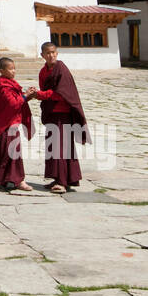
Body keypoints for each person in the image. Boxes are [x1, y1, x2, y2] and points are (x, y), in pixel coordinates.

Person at [33, 41, 89, 193]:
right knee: (53, 145)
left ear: (57, 53)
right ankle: (58, 178)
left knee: (61, 146)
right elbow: (46, 91)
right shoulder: (43, 72)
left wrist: (39, 94)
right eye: (47, 53)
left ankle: (62, 182)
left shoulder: (61, 69)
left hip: (62, 112)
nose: (51, 55)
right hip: (51, 112)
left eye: (53, 52)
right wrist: (37, 94)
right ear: (42, 55)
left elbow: (60, 93)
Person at [0, 57, 36, 192]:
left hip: (11, 122)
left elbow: (16, 101)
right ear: (2, 71)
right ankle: (17, 180)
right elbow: (13, 104)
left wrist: (27, 96)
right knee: (6, 152)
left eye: (14, 68)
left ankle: (6, 177)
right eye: (10, 69)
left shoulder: (10, 83)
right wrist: (25, 96)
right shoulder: (2, 86)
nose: (14, 71)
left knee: (11, 152)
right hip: (3, 124)